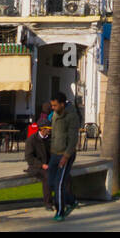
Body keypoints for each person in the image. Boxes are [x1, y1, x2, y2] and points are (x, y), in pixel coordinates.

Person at [47, 92, 79, 221]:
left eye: (55, 105)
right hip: (54, 153)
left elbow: (73, 139)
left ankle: (60, 211)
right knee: (51, 183)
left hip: (65, 155)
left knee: (59, 183)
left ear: (62, 104)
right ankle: (72, 201)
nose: (52, 108)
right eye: (52, 105)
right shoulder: (55, 114)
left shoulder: (71, 116)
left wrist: (66, 156)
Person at [24, 120, 53, 210]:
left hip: (49, 165)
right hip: (35, 167)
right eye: (48, 129)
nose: (50, 130)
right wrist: (42, 165)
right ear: (42, 129)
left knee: (65, 174)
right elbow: (29, 157)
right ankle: (48, 203)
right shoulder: (31, 140)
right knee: (47, 176)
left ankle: (67, 200)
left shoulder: (50, 139)